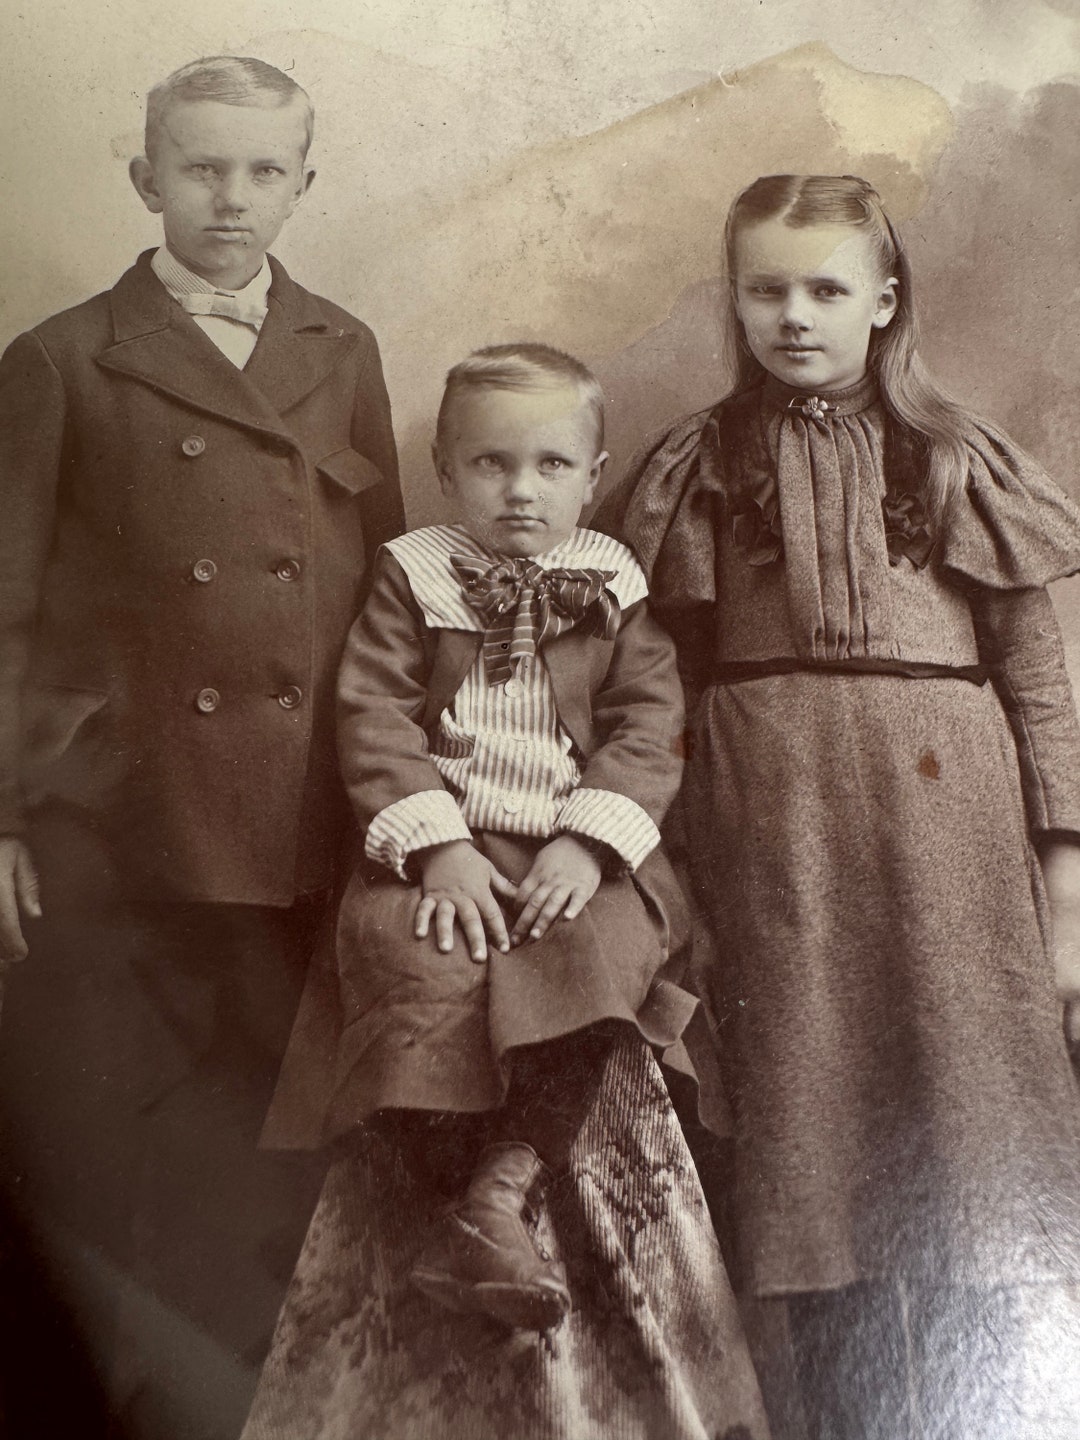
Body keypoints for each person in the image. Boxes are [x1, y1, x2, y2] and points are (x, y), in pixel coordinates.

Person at [594, 174, 1080, 1439]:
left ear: (885, 297)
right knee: (807, 1134)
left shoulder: (959, 458)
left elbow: (1038, 681)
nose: (795, 315)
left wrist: (1067, 883)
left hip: (953, 840)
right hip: (774, 832)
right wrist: (677, 869)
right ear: (736, 299)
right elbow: (656, 690)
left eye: (826, 288)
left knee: (975, 1148)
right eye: (767, 289)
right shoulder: (698, 466)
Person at [0, 55, 403, 1439]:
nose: (230, 201)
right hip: (136, 829)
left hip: (306, 821)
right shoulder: (60, 359)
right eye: (201, 170)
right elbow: (3, 607)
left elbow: (392, 599)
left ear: (304, 181)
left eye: (261, 172)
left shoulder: (341, 346)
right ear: (146, 180)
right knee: (137, 1166)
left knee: (281, 1159)